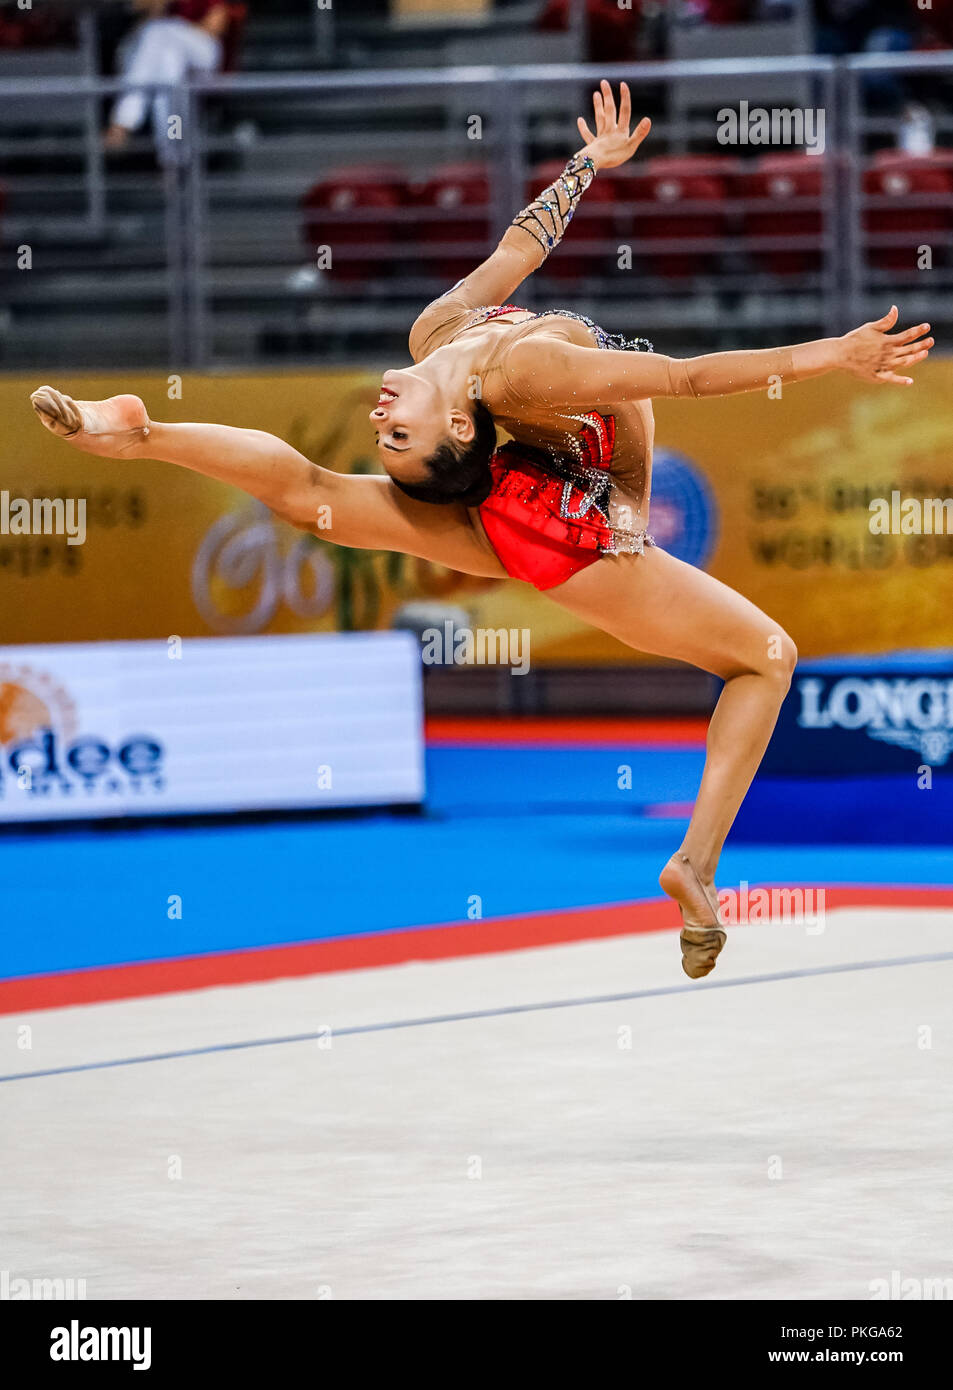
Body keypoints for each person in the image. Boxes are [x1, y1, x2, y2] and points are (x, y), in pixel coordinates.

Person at [31, 83, 932, 978]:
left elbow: (516, 247)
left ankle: (142, 435)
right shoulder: (522, 375)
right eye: (397, 436)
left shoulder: (439, 334)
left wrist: (587, 164)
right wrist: (833, 356)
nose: (381, 419)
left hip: (530, 506)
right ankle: (693, 864)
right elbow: (686, 380)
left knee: (316, 498)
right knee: (765, 656)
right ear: (459, 429)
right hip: (569, 523)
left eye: (386, 434)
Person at [104, 0, 230, 152]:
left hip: (204, 56)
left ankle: (123, 121)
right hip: (170, 65)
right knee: (168, 70)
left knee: (159, 32)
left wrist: (177, 30)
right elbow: (141, 17)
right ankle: (172, 152)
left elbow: (215, 27)